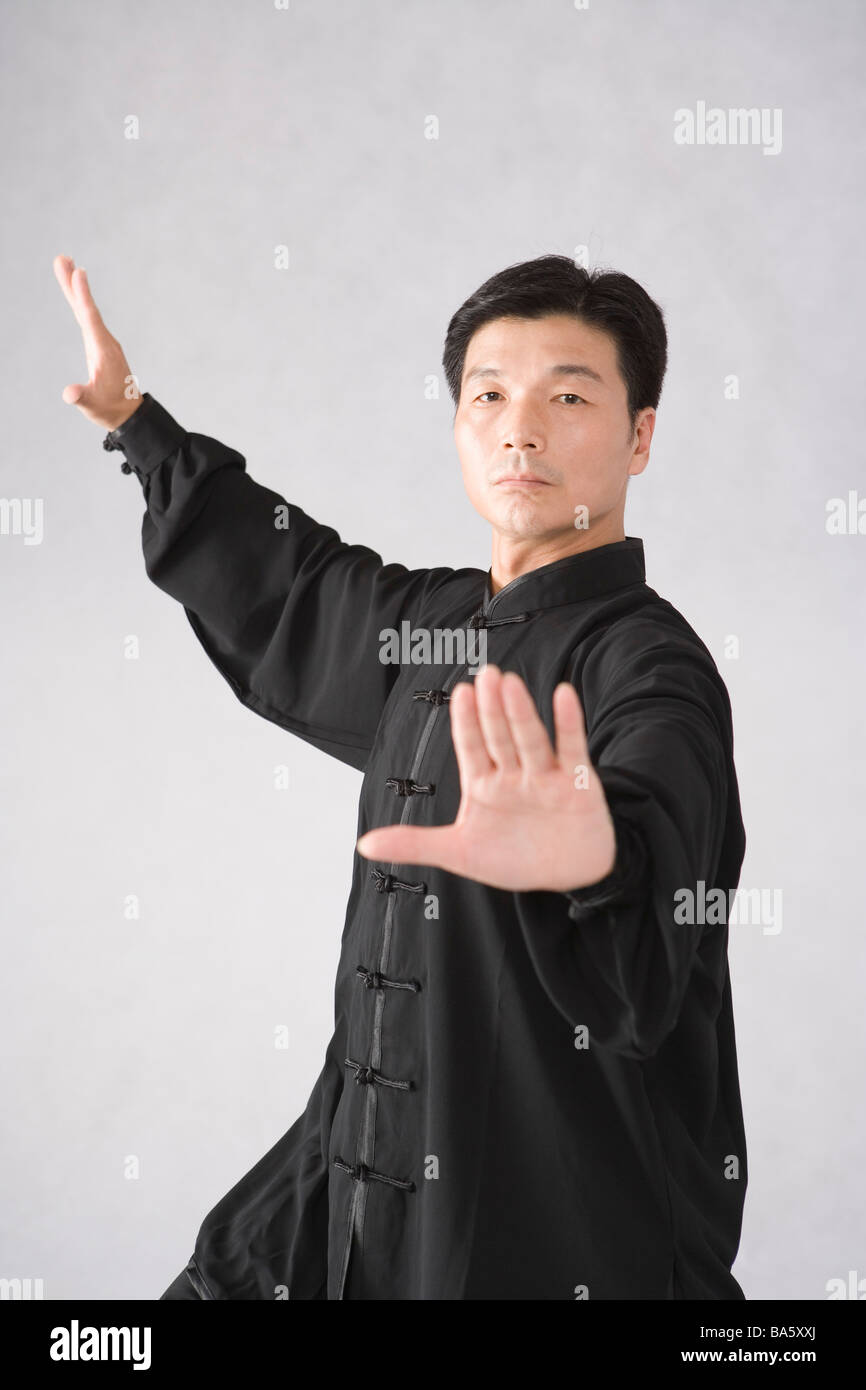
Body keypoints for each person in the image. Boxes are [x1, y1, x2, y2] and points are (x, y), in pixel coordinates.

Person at [54, 251, 748, 1300]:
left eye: (568, 396)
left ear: (639, 435)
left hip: (543, 1223)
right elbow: (289, 581)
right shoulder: (432, 625)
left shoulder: (649, 665)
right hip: (358, 1172)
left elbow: (651, 842)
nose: (521, 427)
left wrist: (594, 858)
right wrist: (136, 421)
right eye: (488, 394)